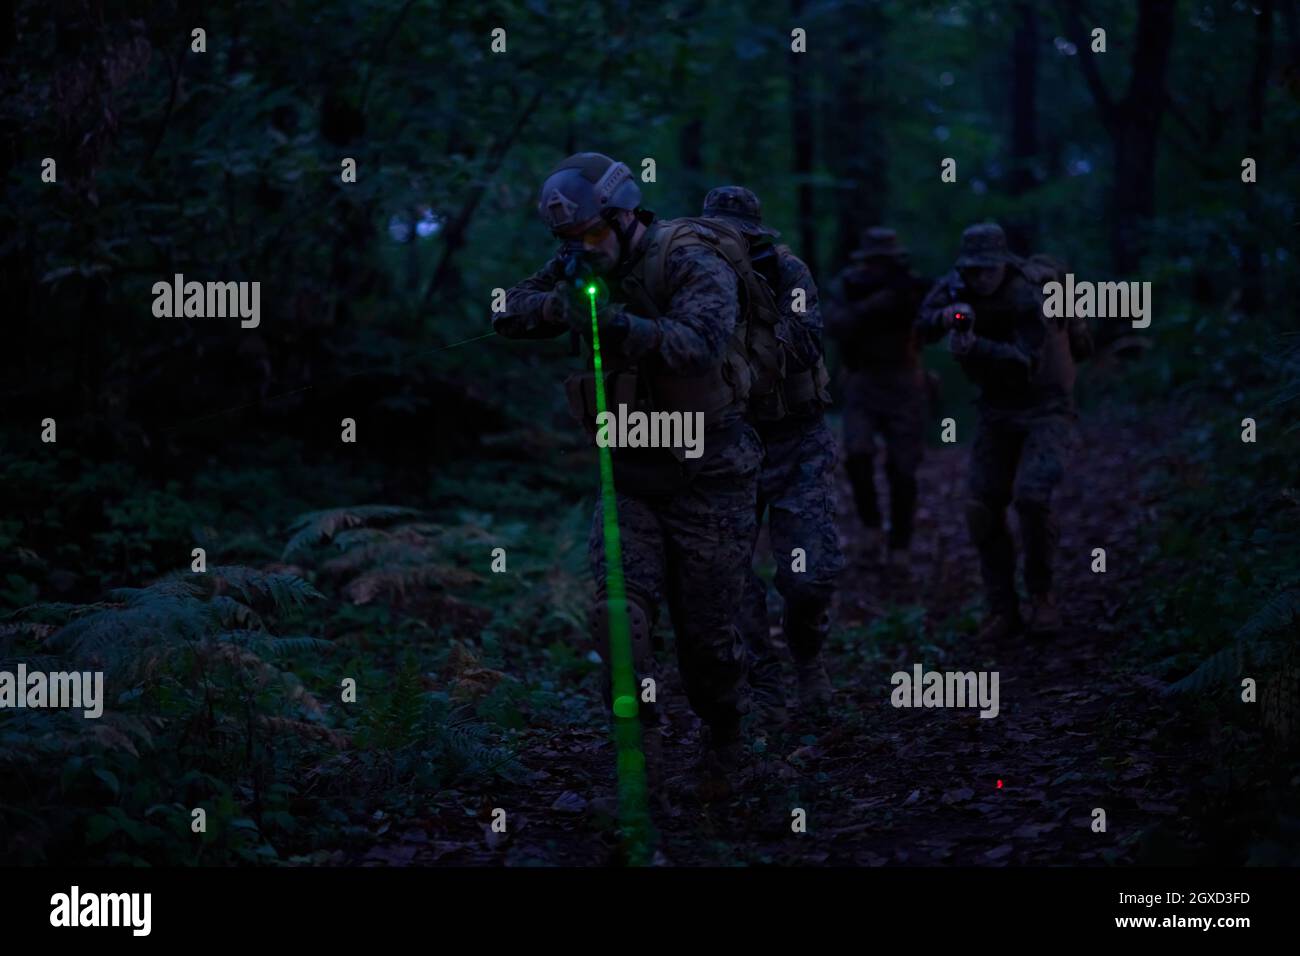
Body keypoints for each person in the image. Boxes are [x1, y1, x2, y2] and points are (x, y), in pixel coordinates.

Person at [493, 153, 762, 791]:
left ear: (623, 217)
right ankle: (639, 756)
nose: (580, 251)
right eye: (567, 241)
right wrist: (556, 308)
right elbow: (505, 308)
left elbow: (699, 345)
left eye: (590, 236)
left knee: (707, 646)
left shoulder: (689, 258)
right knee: (619, 617)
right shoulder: (577, 261)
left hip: (710, 472)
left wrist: (616, 324)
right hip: (632, 473)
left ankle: (725, 738)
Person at [702, 186, 843, 730]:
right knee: (732, 576)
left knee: (810, 574)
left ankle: (808, 658)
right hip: (729, 442)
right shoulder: (691, 275)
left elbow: (805, 341)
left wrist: (731, 341)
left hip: (795, 439)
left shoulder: (788, 274)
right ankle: (764, 684)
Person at [915, 223, 1090, 639]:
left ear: (1003, 265)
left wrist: (975, 346)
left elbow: (1024, 361)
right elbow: (920, 326)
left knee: (1031, 498)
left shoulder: (1030, 295)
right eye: (972, 271)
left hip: (1046, 408)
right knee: (981, 505)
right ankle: (1002, 607)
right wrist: (944, 318)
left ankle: (1042, 596)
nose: (979, 279)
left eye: (987, 270)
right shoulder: (956, 286)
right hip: (996, 410)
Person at [825, 228, 931, 567]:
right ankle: (871, 526)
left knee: (903, 469)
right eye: (874, 262)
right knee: (857, 455)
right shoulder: (848, 286)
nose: (879, 268)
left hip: (905, 382)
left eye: (885, 262)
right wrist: (874, 305)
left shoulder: (911, 288)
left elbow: (934, 324)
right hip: (862, 381)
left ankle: (900, 544)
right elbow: (831, 323)